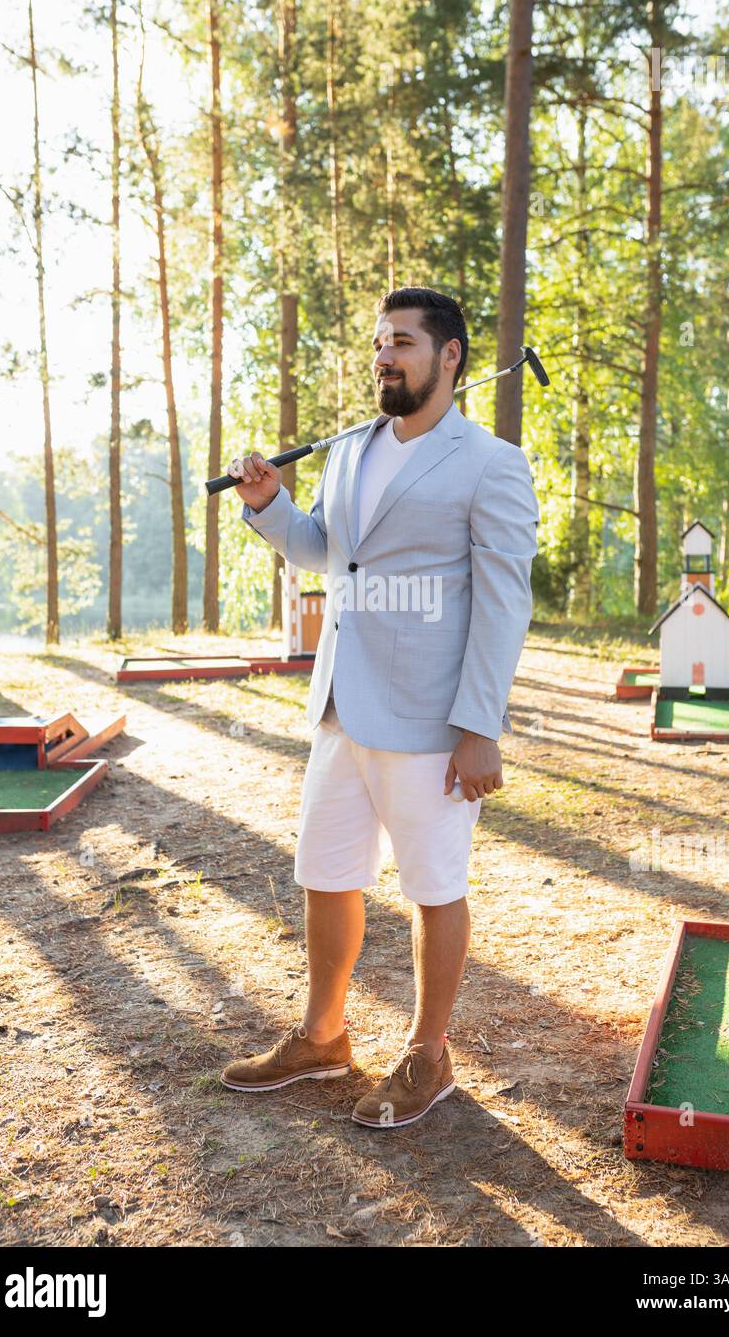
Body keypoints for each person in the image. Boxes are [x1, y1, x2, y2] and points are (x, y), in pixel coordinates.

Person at [220, 286, 540, 1129]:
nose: (384, 356)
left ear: (451, 356)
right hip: (340, 704)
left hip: (431, 720)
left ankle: (428, 1058)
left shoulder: (492, 464)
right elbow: (329, 551)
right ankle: (324, 1036)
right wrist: (268, 507)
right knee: (325, 874)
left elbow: (504, 604)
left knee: (434, 888)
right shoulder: (351, 449)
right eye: (376, 343)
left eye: (401, 341)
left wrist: (478, 727)